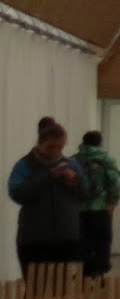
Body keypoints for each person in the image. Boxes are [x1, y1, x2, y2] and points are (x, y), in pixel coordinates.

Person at [8, 118, 91, 278]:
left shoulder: (71, 164)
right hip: (34, 239)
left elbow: (86, 193)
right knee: (36, 291)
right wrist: (48, 177)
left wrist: (73, 181)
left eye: (60, 146)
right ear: (40, 143)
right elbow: (17, 193)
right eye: (51, 147)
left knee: (64, 290)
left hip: (67, 237)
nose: (56, 151)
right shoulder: (24, 165)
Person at [75, 131, 120, 278]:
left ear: (83, 142)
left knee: (83, 241)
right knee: (102, 241)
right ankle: (99, 272)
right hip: (101, 208)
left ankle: (84, 272)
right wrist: (113, 202)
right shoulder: (107, 160)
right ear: (100, 143)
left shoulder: (74, 160)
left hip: (79, 210)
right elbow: (114, 183)